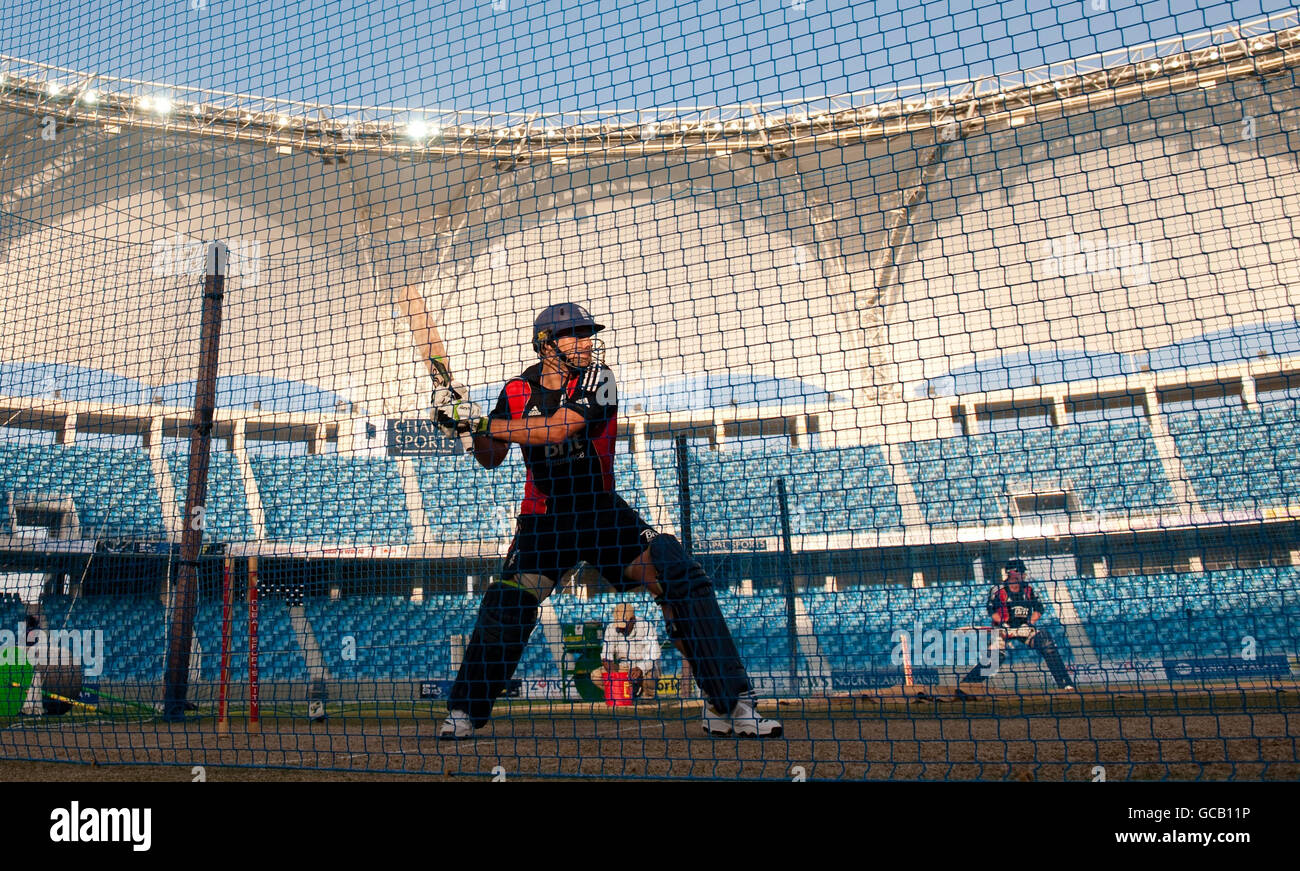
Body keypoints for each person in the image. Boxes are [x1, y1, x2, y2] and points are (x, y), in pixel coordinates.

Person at [432, 302, 781, 739]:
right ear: (546, 344)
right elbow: (490, 458)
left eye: (587, 333)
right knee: (507, 604)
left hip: (599, 511)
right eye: (574, 335)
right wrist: (463, 426)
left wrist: (483, 420)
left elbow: (559, 429)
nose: (586, 343)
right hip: (545, 520)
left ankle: (729, 704)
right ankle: (464, 712)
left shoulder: (599, 378)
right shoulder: (516, 390)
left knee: (677, 572)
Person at [960, 559, 1075, 692]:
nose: (1024, 575)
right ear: (1013, 573)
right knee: (995, 659)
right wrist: (1003, 624)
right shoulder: (998, 590)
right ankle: (967, 685)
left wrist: (1029, 623)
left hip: (1023, 628)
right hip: (1003, 628)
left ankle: (1065, 684)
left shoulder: (1028, 589)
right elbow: (991, 611)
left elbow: (1039, 609)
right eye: (1022, 572)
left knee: (1046, 642)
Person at [590, 603, 661, 700]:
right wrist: (617, 678)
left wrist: (640, 669)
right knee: (596, 675)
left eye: (624, 626)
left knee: (650, 676)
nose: (621, 629)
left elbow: (654, 655)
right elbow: (606, 656)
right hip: (623, 668)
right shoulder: (611, 628)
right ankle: (621, 694)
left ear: (633, 620)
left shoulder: (646, 626)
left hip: (645, 667)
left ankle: (648, 697)